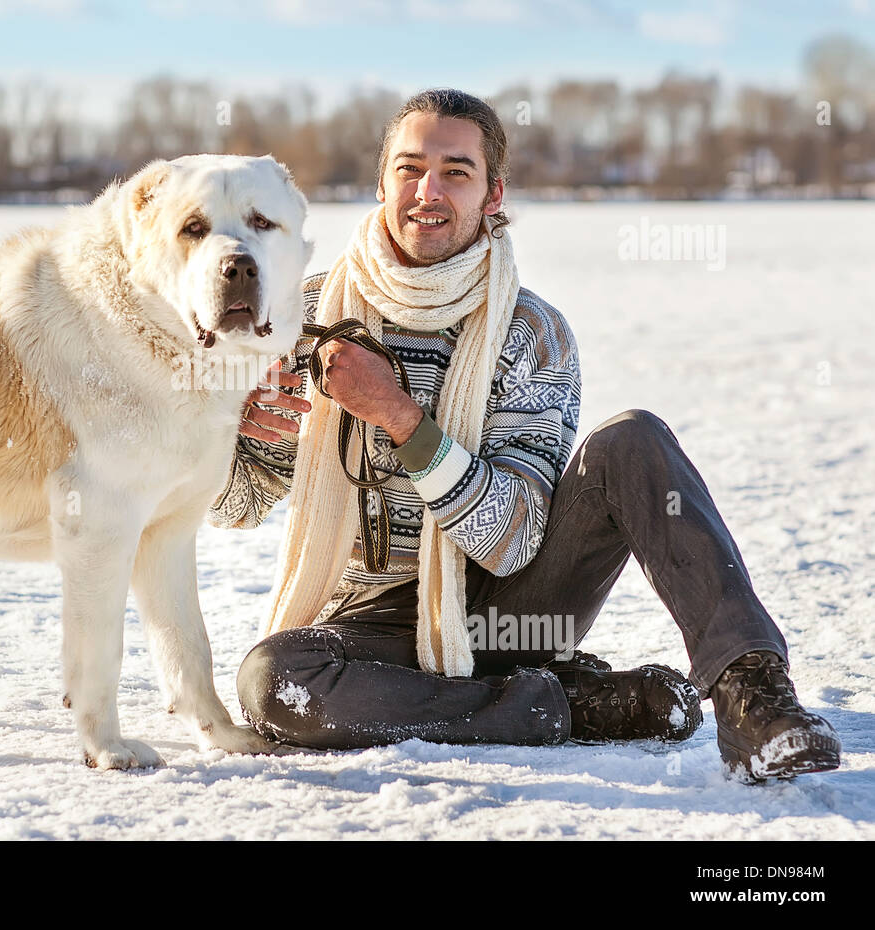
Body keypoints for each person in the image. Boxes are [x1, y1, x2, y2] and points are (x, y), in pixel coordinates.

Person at [208, 88, 841, 782]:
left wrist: (399, 417)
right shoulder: (301, 315)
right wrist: (227, 432)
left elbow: (511, 544)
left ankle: (756, 701)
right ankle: (574, 704)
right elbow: (233, 506)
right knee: (276, 682)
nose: (428, 191)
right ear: (381, 180)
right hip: (371, 627)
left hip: (513, 616)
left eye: (456, 171)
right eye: (410, 168)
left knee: (632, 440)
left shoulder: (530, 334)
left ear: (492, 193)